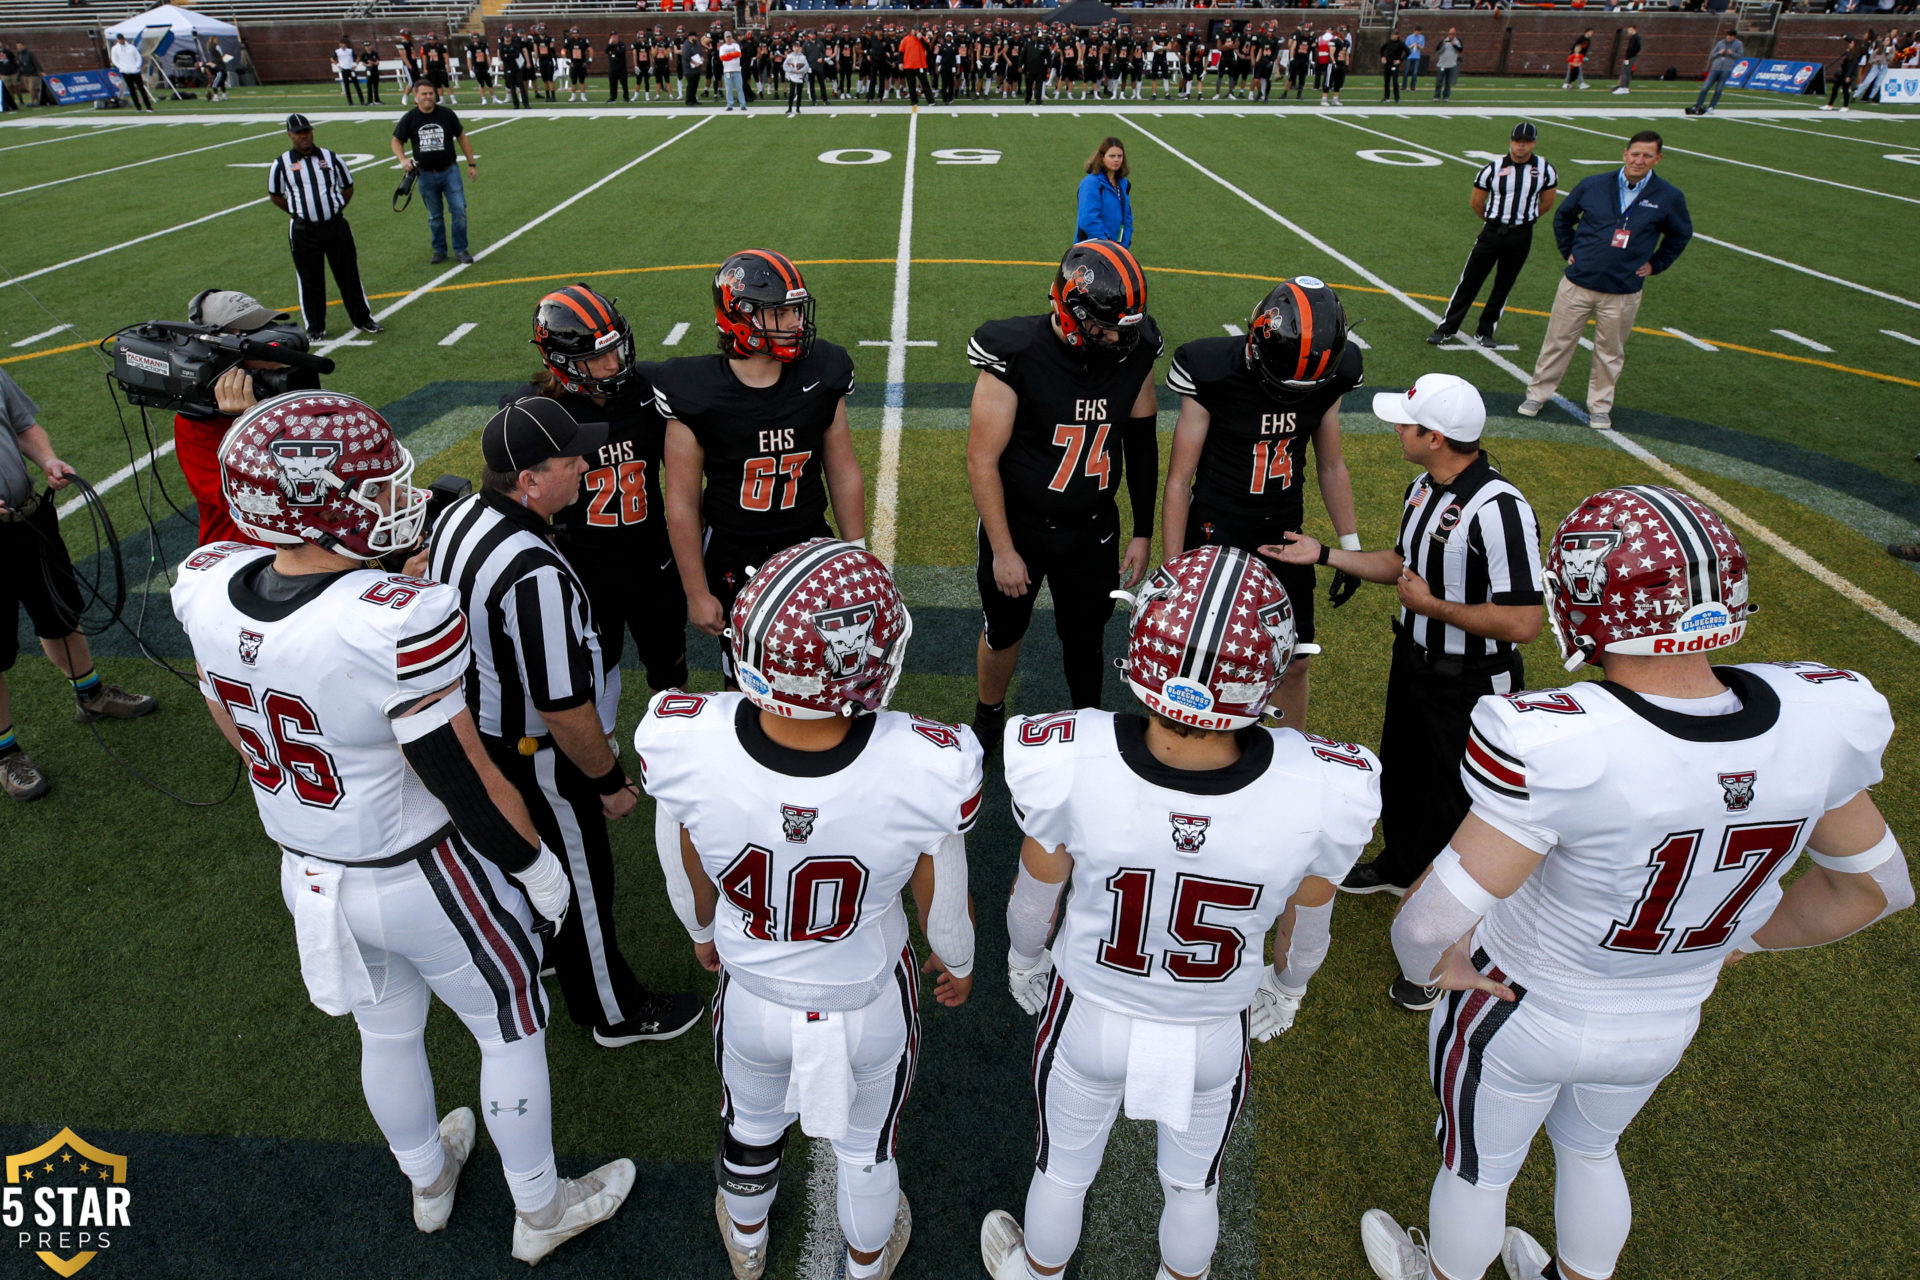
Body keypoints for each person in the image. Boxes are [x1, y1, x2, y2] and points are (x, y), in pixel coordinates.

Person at [1357, 485, 1914, 1280]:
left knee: (1478, 1171)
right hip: (1666, 1015)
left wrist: (1430, 970)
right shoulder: (1818, 718)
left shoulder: (1562, 737)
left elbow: (1424, 922)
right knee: (1591, 1150)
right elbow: (1876, 888)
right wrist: (1736, 938)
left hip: (1527, 1005)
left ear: (1588, 597)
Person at [173, 390, 635, 1262]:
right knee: (511, 1026)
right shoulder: (393, 620)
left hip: (309, 868)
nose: (398, 500)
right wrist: (536, 867)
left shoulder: (208, 586)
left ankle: (428, 1179)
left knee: (385, 1029)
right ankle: (540, 1209)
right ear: (321, 502)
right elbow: (463, 777)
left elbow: (232, 725)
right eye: (377, 487)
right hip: (422, 869)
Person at [980, 545, 1381, 1280]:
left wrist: (1024, 956)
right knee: (1193, 1185)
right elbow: (1306, 931)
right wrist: (1287, 986)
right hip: (1210, 1028)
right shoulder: (1328, 785)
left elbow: (1034, 901)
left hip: (1092, 1013)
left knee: (1063, 1171)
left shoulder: (1069, 753)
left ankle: (1036, 1273)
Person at [639, 539, 979, 1280]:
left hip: (754, 992)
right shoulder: (927, 762)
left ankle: (750, 1245)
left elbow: (680, 863)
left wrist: (703, 929)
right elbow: (944, 906)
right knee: (867, 1147)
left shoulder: (683, 738)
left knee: (752, 1126)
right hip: (865, 998)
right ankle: (864, 1264)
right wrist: (958, 963)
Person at [425, 397, 707, 1050]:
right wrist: (607, 779)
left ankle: (550, 949)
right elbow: (560, 704)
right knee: (582, 879)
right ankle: (614, 1011)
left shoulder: (461, 515)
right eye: (568, 457)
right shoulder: (532, 569)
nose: (584, 464)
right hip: (534, 754)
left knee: (532, 865)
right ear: (528, 480)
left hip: (480, 731)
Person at [1268, 374, 1543, 1011]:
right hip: (1415, 661)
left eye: (1407, 424)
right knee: (1407, 771)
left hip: (1473, 681)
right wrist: (1326, 555)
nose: (1397, 430)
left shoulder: (1500, 508)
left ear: (1435, 437)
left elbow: (1524, 621)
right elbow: (1402, 563)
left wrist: (1435, 607)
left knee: (1463, 803)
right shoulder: (1426, 486)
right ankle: (1400, 865)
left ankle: (1446, 949)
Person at [966, 240, 1159, 749]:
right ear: (1069, 311)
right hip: (1022, 524)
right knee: (1005, 631)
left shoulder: (1135, 349)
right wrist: (1005, 550)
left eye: (1126, 324)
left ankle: (1089, 727)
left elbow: (1140, 442)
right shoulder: (1015, 352)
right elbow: (982, 460)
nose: (1119, 336)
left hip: (1093, 525)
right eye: (1106, 325)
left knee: (1086, 636)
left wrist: (1143, 530)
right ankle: (989, 713)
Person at [1162, 277, 1363, 731]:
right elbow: (1179, 481)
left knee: (1294, 661)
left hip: (1284, 533)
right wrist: (1173, 570)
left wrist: (1350, 548)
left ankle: (1290, 757)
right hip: (1217, 527)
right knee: (1203, 658)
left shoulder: (1333, 372)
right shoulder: (1212, 369)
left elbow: (1331, 466)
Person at [658, 249, 865, 683]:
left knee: (827, 667)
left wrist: (856, 555)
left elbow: (843, 471)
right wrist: (697, 592)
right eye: (782, 312)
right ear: (742, 316)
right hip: (734, 550)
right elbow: (680, 503)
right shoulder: (696, 392)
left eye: (797, 310)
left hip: (809, 543)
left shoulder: (823, 372)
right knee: (749, 676)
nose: (797, 322)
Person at [516, 284, 687, 701]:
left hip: (652, 558)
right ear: (560, 362)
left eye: (616, 350)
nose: (613, 364)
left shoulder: (650, 389)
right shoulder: (536, 412)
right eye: (596, 357)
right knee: (593, 666)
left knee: (669, 666)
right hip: (583, 566)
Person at [0, 368, 156, 803]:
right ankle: (4, 753)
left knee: (60, 612)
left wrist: (47, 459)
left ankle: (90, 695)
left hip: (29, 519)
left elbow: (23, 425)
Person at [1518, 131, 1691, 432]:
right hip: (1578, 283)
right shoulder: (1593, 184)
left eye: (1647, 156)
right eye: (1635, 154)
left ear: (1657, 159)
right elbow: (1563, 218)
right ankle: (1537, 395)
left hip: (1623, 291)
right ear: (1625, 153)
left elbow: (1680, 234)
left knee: (1610, 351)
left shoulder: (1669, 196)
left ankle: (1600, 406)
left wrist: (1657, 264)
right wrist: (1569, 251)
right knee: (1557, 342)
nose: (1639, 160)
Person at [1427, 122, 1559, 349]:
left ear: (1534, 143)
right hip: (1492, 231)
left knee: (1504, 284)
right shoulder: (1493, 168)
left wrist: (1525, 218)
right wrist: (1492, 221)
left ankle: (1485, 331)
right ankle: (1447, 328)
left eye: (1526, 141)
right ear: (1511, 140)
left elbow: (1547, 202)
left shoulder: (1545, 169)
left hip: (1521, 234)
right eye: (1518, 140)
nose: (1521, 145)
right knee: (1469, 281)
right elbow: (1476, 202)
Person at [270, 114, 382, 342]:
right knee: (310, 279)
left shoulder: (331, 158)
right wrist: (297, 212)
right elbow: (275, 195)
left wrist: (335, 207)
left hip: (335, 226)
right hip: (303, 231)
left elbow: (347, 186)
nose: (303, 136)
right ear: (290, 135)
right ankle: (315, 326)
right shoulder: (281, 163)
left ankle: (362, 318)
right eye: (298, 132)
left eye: (306, 131)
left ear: (312, 132)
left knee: (348, 273)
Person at [390, 81, 477, 267]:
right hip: (426, 174)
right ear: (416, 97)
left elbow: (462, 137)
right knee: (435, 216)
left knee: (459, 210)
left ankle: (461, 249)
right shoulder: (410, 118)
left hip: (449, 170)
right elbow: (396, 141)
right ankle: (440, 250)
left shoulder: (446, 114)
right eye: (424, 94)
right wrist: (402, 160)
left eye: (431, 93)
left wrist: (471, 163)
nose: (428, 97)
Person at [1074, 137, 1132, 248]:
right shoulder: (1091, 183)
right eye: (1112, 156)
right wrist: (1107, 245)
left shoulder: (1123, 184)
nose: (1116, 160)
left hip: (1115, 248)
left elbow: (1127, 218)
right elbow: (1088, 219)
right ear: (1102, 157)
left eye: (1119, 156)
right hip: (1092, 248)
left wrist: (1123, 245)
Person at [1689, 28, 1744, 116]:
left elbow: (1740, 56)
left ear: (1734, 37)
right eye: (1728, 36)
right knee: (1705, 88)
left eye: (1731, 37)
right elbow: (1712, 55)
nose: (1729, 38)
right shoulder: (1720, 43)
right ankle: (1698, 105)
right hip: (1715, 68)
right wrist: (1719, 52)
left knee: (1719, 89)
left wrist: (1732, 53)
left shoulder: (1738, 44)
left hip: (1726, 69)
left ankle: (1712, 107)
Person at [109, 35, 153, 112]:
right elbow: (115, 60)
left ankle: (148, 106)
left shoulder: (131, 47)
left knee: (141, 88)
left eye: (122, 39)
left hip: (135, 71)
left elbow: (138, 57)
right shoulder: (115, 49)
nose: (121, 41)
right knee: (132, 89)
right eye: (119, 39)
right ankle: (138, 107)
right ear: (118, 40)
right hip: (125, 71)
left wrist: (137, 66)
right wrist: (121, 67)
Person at [1431, 29, 1462, 101]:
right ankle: (1437, 96)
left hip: (1451, 65)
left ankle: (1446, 96)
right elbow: (1437, 51)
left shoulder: (1457, 42)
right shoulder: (1443, 41)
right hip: (1442, 65)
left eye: (1453, 34)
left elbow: (1460, 50)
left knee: (1448, 82)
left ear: (1455, 34)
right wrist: (1443, 45)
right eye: (1450, 34)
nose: (1451, 35)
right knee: (1439, 81)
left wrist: (1454, 45)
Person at [718, 29, 745, 110]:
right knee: (729, 89)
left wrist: (728, 55)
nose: (728, 39)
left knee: (739, 88)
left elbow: (739, 54)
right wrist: (733, 55)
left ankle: (742, 104)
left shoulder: (736, 45)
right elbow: (722, 57)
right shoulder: (722, 47)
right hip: (727, 71)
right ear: (725, 38)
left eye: (729, 37)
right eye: (727, 37)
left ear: (732, 37)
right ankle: (730, 104)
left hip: (737, 70)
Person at [1612, 23, 1640, 93]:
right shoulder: (1636, 37)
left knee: (1624, 72)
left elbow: (1634, 48)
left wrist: (1627, 57)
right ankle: (1626, 88)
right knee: (1627, 72)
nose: (1628, 31)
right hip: (1631, 57)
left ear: (1633, 29)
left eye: (1629, 30)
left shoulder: (1634, 37)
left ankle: (1622, 87)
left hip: (1630, 57)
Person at [1381, 28, 1406, 102]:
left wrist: (1400, 60)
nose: (1392, 36)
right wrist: (1383, 57)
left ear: (1397, 35)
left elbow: (1408, 52)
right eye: (1392, 34)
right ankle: (1386, 97)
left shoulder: (1400, 43)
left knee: (1395, 81)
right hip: (1388, 63)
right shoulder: (1389, 42)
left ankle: (1397, 98)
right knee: (1386, 81)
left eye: (1394, 34)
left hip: (1394, 64)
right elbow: (1382, 49)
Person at [605, 30, 629, 103]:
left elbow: (621, 52)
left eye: (615, 36)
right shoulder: (609, 45)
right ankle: (613, 97)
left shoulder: (622, 44)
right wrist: (610, 44)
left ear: (617, 36)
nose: (614, 38)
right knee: (612, 84)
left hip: (621, 68)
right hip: (612, 68)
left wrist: (612, 52)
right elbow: (606, 51)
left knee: (624, 84)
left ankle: (626, 97)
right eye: (612, 36)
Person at [1403, 26, 1426, 93]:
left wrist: (1419, 46)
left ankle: (1412, 87)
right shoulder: (1409, 37)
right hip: (1409, 56)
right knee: (1406, 72)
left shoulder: (1422, 37)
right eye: (1416, 32)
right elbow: (1406, 47)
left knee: (1415, 73)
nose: (1417, 33)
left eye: (1419, 32)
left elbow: (1422, 47)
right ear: (1414, 31)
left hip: (1417, 57)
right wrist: (1413, 45)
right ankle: (1404, 86)